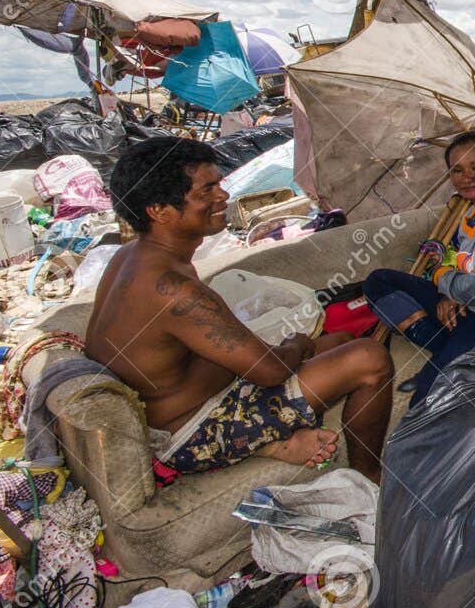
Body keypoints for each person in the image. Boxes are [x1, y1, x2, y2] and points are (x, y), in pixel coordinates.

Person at [85, 138, 394, 480]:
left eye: (219, 184)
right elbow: (271, 371)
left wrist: (295, 347)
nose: (223, 196)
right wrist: (298, 342)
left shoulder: (128, 256)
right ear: (160, 211)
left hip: (193, 399)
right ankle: (369, 478)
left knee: (341, 340)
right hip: (193, 432)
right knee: (370, 358)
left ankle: (288, 437)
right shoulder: (172, 288)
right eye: (206, 191)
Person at [362, 131, 475, 401]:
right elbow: (458, 263)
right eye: (458, 170)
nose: (468, 177)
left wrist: (444, 279)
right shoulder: (470, 211)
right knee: (378, 281)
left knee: (425, 400)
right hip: (466, 300)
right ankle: (444, 345)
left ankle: (455, 354)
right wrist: (447, 294)